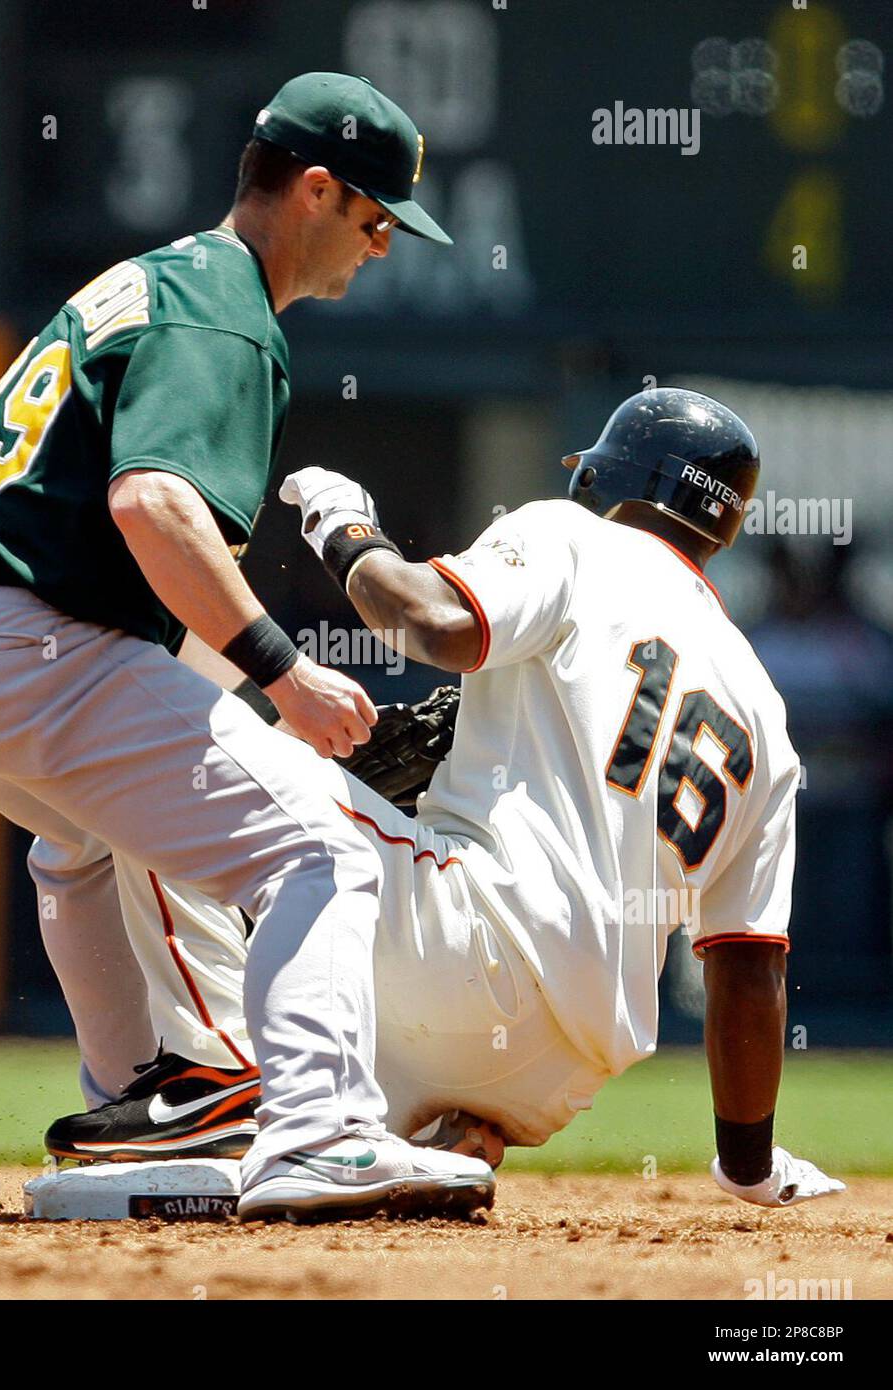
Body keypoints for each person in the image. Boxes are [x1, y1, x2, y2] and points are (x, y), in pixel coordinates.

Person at [0, 73, 467, 1176]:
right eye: (376, 220)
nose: (382, 247)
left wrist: (248, 709)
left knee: (90, 837)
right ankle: (314, 1130)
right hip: (26, 643)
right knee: (320, 844)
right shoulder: (226, 312)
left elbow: (145, 570)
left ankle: (143, 1105)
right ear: (316, 191)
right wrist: (286, 678)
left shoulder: (154, 280)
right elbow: (152, 506)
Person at [52, 388, 846, 1225]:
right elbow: (749, 968)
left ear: (614, 480)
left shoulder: (580, 539)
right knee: (310, 1122)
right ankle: (417, 1142)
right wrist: (748, 1166)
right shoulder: (763, 709)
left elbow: (428, 620)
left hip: (463, 947)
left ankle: (210, 1098)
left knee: (162, 764)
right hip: (559, 1077)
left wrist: (344, 528)